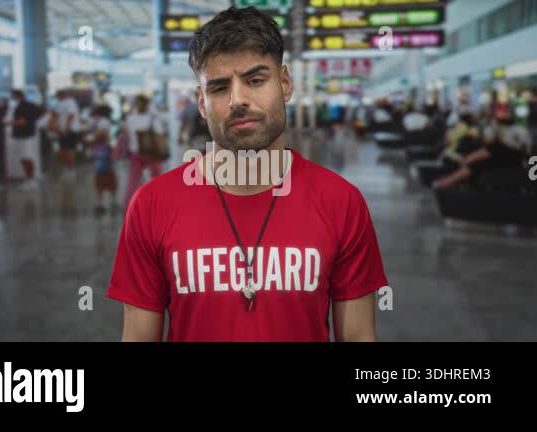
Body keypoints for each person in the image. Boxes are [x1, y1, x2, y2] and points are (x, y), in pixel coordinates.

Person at [107, 7, 388, 342]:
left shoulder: (341, 203)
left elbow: (358, 337)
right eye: (219, 87)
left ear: (285, 84)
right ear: (201, 102)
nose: (238, 99)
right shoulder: (152, 205)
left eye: (255, 80)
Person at [123, 94, 164, 211]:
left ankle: (129, 205)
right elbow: (160, 135)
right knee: (157, 179)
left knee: (133, 180)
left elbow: (127, 135)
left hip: (135, 153)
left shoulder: (130, 119)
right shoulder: (153, 119)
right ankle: (158, 204)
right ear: (148, 105)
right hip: (151, 153)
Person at [6, 89, 42, 190]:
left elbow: (22, 122)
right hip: (26, 135)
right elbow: (40, 114)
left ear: (17, 96)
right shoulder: (31, 105)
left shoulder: (22, 107)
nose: (11, 98)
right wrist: (33, 124)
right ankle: (29, 179)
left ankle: (31, 180)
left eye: (12, 96)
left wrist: (9, 122)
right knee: (24, 157)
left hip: (24, 136)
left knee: (26, 158)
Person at [85, 105, 118, 216]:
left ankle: (101, 203)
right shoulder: (104, 121)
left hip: (102, 151)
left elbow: (102, 134)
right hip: (105, 151)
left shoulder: (102, 122)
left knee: (101, 177)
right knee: (109, 176)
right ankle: (112, 201)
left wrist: (89, 138)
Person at [55, 89, 80, 178]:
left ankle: (71, 170)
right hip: (62, 130)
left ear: (61, 95)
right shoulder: (60, 103)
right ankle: (66, 168)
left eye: (57, 97)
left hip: (70, 129)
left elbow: (71, 115)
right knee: (63, 150)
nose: (57, 99)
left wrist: (66, 128)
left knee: (69, 150)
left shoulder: (70, 102)